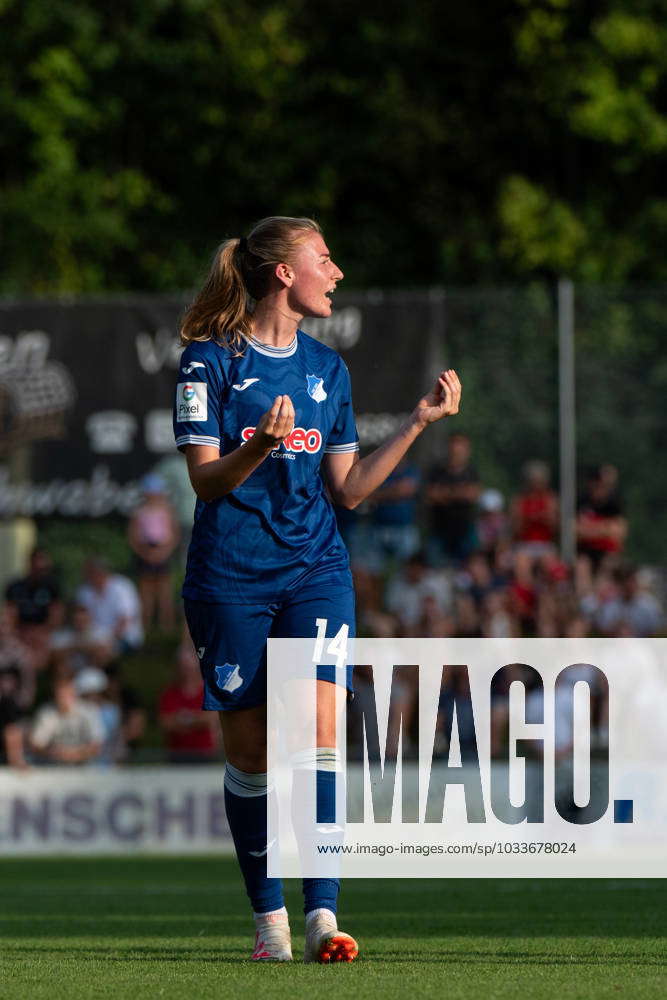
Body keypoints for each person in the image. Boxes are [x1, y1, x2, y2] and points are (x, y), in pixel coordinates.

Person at [173, 215, 461, 964]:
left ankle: (322, 916)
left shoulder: (327, 370)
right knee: (252, 756)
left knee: (323, 734)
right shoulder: (209, 362)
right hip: (229, 578)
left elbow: (352, 491)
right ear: (282, 273)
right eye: (324, 260)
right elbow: (204, 481)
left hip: (314, 571)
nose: (335, 274)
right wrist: (258, 446)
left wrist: (415, 425)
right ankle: (268, 922)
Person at [128, 474, 181, 632]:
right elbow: (133, 535)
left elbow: (174, 534)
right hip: (146, 551)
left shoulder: (168, 511)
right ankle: (145, 628)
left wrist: (164, 552)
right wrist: (145, 553)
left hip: (162, 550)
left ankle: (166, 627)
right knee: (146, 593)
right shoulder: (139, 511)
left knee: (165, 593)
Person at [158, 642, 220, 764]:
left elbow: (211, 719)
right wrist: (197, 720)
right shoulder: (169, 693)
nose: (187, 672)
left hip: (204, 755)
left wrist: (182, 719)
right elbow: (166, 723)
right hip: (177, 756)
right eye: (184, 667)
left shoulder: (209, 692)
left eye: (190, 668)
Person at [425, 433, 480, 565]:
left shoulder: (472, 471)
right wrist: (460, 493)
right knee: (435, 571)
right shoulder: (437, 471)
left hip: (464, 530)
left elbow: (472, 495)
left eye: (461, 447)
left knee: (467, 571)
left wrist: (445, 493)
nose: (457, 451)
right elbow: (432, 495)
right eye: (454, 447)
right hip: (439, 530)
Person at [76, 558, 144, 656]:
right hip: (92, 638)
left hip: (124, 638)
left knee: (100, 651)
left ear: (101, 573)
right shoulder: (84, 591)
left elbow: (124, 621)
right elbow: (80, 619)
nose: (87, 577)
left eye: (90, 573)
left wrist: (106, 640)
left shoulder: (122, 587)